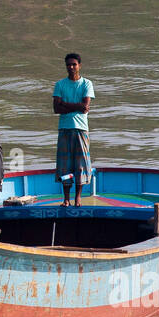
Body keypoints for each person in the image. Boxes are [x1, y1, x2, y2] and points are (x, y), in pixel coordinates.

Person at [52, 53, 95, 206]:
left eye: (74, 64)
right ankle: (66, 199)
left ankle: (77, 197)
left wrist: (66, 104)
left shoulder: (86, 84)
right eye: (68, 65)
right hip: (64, 128)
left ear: (79, 66)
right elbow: (56, 109)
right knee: (65, 165)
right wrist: (76, 106)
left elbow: (85, 107)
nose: (71, 67)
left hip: (81, 129)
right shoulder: (60, 85)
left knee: (80, 164)